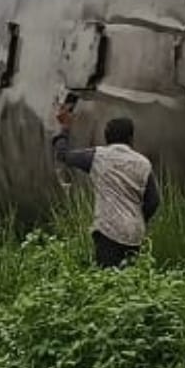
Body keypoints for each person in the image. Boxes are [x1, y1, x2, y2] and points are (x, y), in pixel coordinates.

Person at [52, 104, 161, 268]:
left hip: (109, 231)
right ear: (131, 138)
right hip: (134, 233)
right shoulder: (143, 163)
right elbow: (154, 201)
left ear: (106, 138)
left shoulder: (98, 157)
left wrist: (64, 128)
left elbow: (63, 155)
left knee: (108, 278)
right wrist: (140, 219)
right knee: (130, 278)